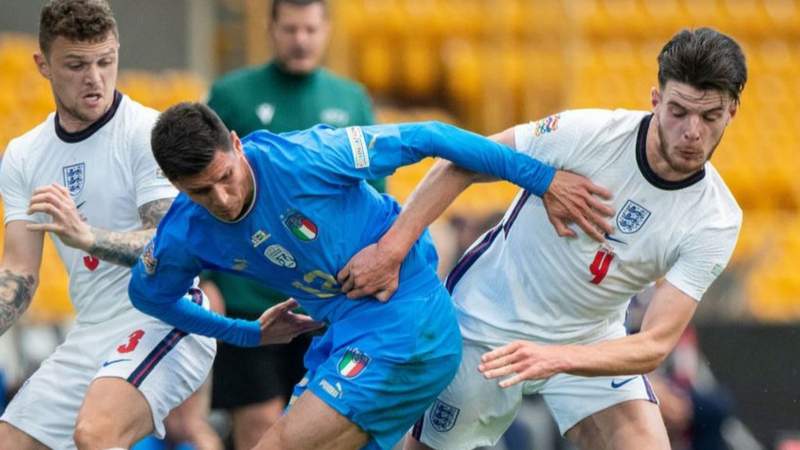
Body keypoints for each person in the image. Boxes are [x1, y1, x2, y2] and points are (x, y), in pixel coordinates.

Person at [339, 27, 746, 450]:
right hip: (488, 321)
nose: (692, 131)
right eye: (679, 111)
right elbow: (460, 162)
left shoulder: (715, 218)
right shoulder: (589, 135)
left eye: (710, 116)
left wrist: (556, 357)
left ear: (731, 111)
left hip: (590, 338)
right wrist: (392, 249)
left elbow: (655, 343)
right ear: (656, 100)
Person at [127, 101, 613, 450]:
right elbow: (150, 296)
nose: (223, 199)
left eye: (225, 177)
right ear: (175, 187)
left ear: (236, 145)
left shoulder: (304, 158)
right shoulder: (185, 233)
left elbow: (429, 137)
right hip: (342, 336)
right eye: (201, 191)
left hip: (406, 320)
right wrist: (248, 334)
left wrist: (543, 180)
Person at [0, 2, 302, 449]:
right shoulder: (24, 154)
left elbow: (166, 246)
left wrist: (88, 237)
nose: (95, 78)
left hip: (166, 317)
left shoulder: (147, 133)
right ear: (43, 65)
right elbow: (20, 272)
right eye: (77, 65)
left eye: (106, 61)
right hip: (92, 332)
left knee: (97, 433)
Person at [204, 1, 381, 446]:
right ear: (270, 30)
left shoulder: (351, 100)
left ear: (326, 31)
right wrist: (207, 277)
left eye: (309, 29)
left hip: (326, 299)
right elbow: (202, 188)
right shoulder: (231, 96)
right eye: (290, 29)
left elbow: (377, 197)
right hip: (250, 296)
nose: (300, 39)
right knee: (259, 427)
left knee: (323, 429)